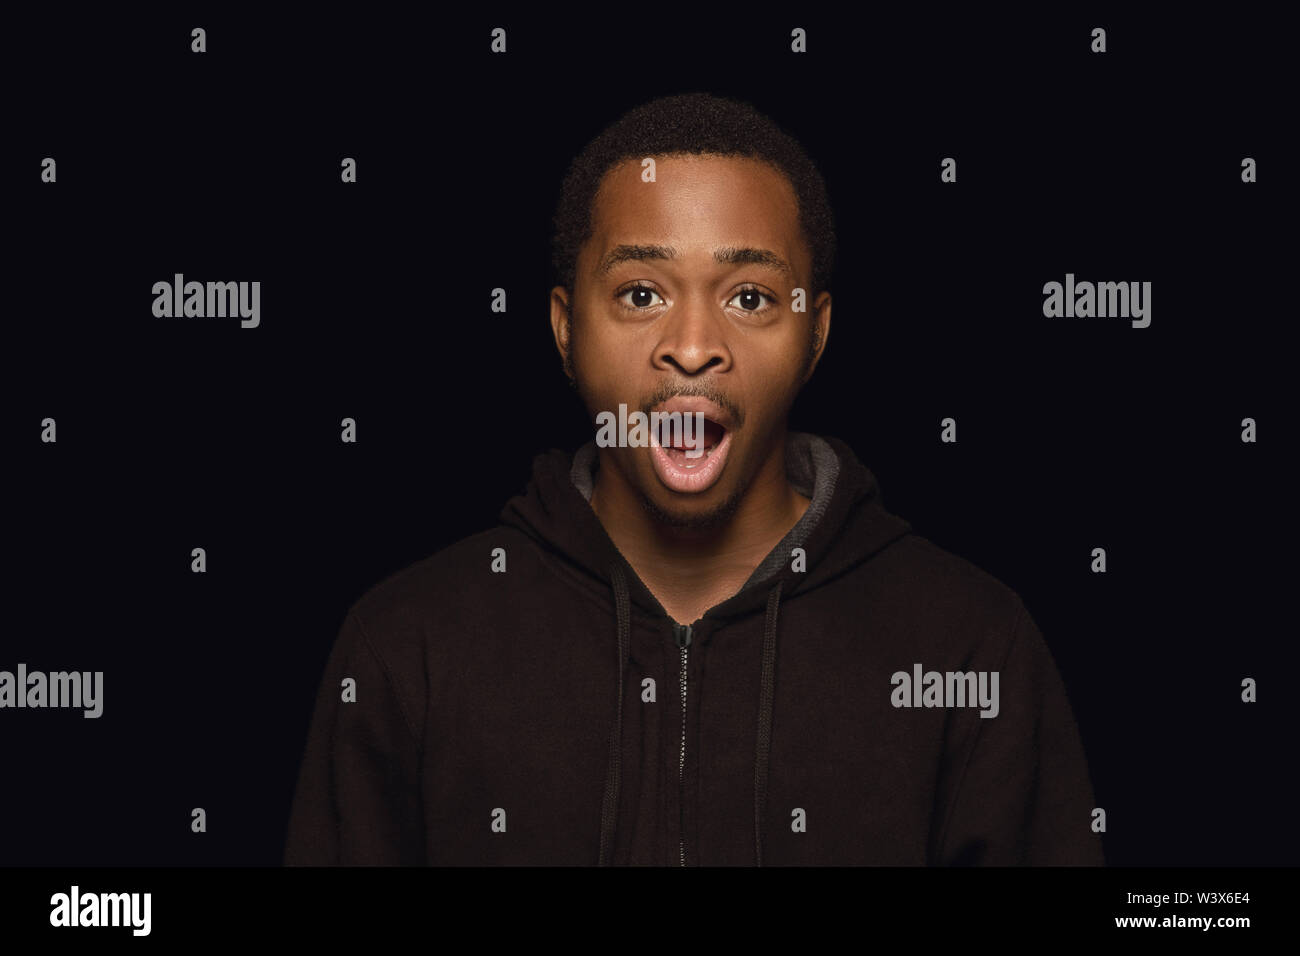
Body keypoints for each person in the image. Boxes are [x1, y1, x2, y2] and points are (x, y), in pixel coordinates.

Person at [284, 92, 1104, 866]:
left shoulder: (969, 644)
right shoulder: (407, 645)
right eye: (640, 292)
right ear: (566, 329)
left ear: (814, 335)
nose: (691, 343)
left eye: (749, 296)